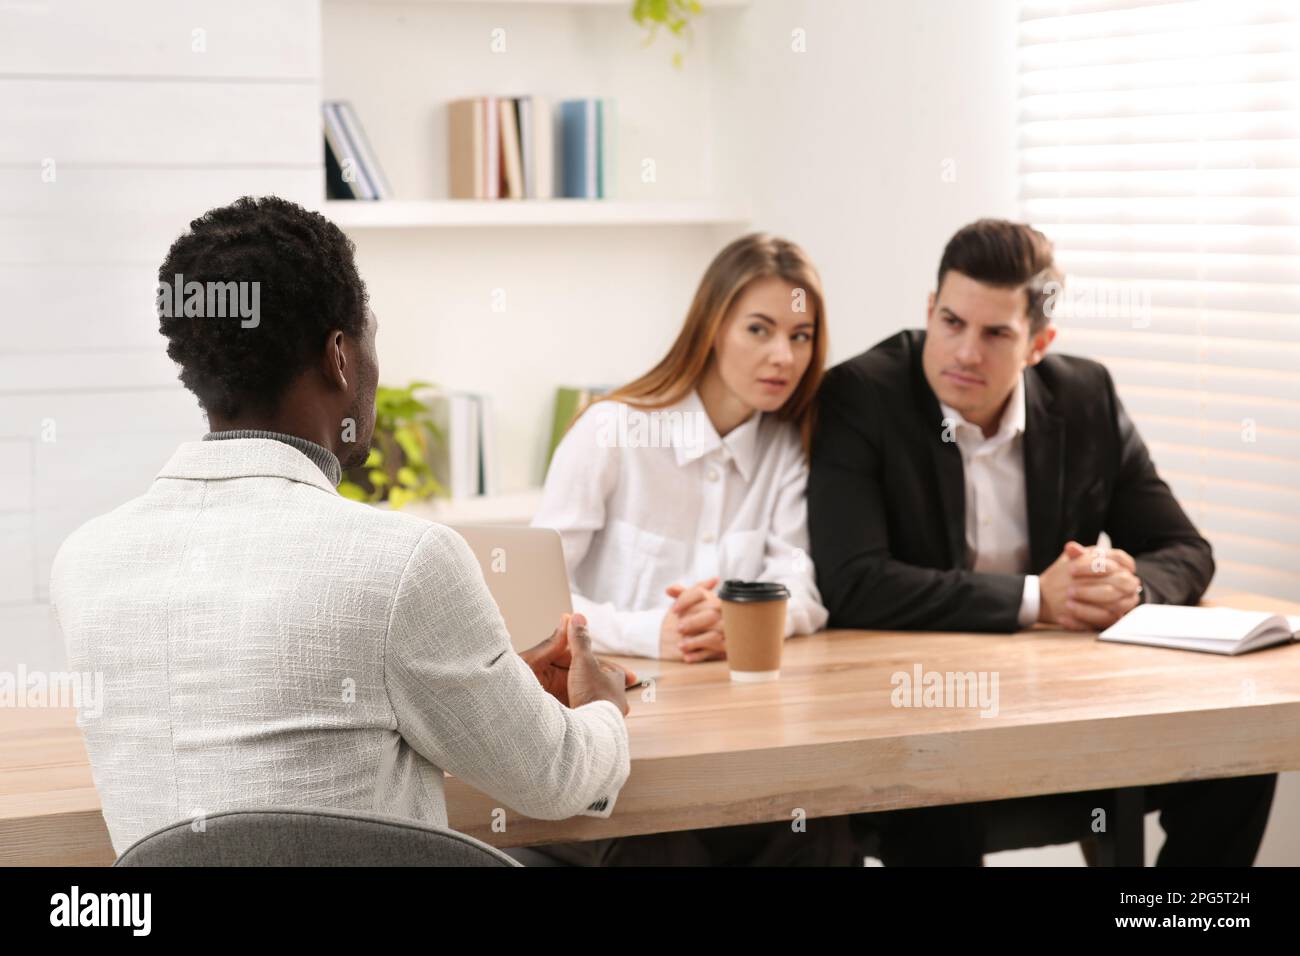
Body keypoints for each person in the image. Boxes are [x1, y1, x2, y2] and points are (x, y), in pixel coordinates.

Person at [50, 196, 632, 857]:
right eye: (370, 336)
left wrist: (496, 689)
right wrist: (601, 707)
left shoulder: (85, 562)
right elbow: (554, 780)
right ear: (340, 356)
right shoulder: (405, 561)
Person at [808, 218, 1276, 865]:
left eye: (996, 333)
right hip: (920, 715)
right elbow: (853, 580)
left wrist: (1128, 584)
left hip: (1063, 712)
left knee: (1244, 756)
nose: (965, 352)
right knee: (938, 802)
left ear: (1038, 343)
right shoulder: (863, 396)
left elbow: (1185, 548)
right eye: (951, 322)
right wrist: (1039, 598)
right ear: (929, 311)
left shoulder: (1085, 396)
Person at [526, 232, 862, 865]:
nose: (783, 357)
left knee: (823, 830)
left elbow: (804, 589)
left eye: (800, 335)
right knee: (670, 847)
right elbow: (536, 602)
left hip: (739, 737)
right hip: (619, 735)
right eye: (759, 330)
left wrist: (738, 621)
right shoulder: (612, 431)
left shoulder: (788, 449)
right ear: (711, 327)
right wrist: (658, 632)